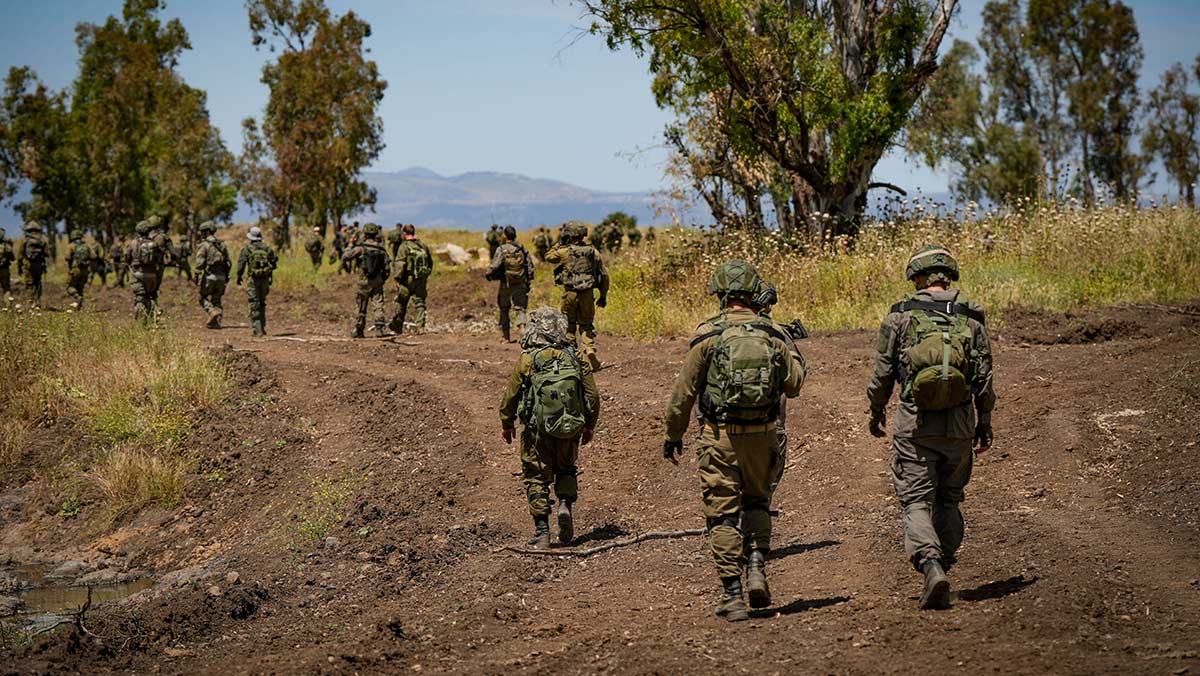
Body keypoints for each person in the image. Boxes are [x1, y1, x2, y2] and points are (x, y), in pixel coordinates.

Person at [662, 260, 805, 622]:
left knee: (723, 516)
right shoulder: (773, 332)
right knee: (758, 503)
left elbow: (683, 393)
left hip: (720, 438)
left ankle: (732, 596)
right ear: (754, 292)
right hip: (764, 435)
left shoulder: (707, 334)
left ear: (721, 294)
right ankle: (756, 566)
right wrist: (793, 349)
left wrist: (673, 435)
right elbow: (794, 385)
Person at [866, 245, 996, 610]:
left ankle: (932, 565)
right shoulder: (972, 316)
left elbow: (882, 373)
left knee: (915, 500)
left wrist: (875, 411)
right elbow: (984, 377)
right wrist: (985, 421)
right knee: (949, 498)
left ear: (918, 278)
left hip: (915, 424)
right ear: (949, 275)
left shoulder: (900, 315)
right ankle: (945, 563)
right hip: (959, 424)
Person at [498, 306, 600, 548]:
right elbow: (593, 396)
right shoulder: (575, 357)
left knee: (536, 477)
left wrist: (507, 423)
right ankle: (565, 504)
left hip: (537, 431)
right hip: (569, 427)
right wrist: (589, 425)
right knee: (566, 469)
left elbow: (510, 395)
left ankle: (542, 532)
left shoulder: (528, 359)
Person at [749, 281, 807, 501]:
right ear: (765, 304)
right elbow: (794, 385)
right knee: (761, 495)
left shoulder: (715, 331)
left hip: (723, 429)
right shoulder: (776, 333)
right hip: (769, 427)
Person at [543, 221, 608, 371]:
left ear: (569, 234)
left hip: (570, 294)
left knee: (569, 326)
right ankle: (589, 349)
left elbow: (548, 256)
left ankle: (573, 358)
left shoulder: (564, 252)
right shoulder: (593, 252)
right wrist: (603, 295)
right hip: (587, 294)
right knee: (586, 324)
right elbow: (604, 275)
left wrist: (560, 243)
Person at [342, 222, 391, 338]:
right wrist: (382, 279)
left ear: (365, 234)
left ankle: (359, 330)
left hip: (363, 281)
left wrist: (350, 244)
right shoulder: (381, 249)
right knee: (378, 305)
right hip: (377, 281)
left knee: (361, 306)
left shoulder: (360, 248)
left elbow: (345, 257)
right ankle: (379, 329)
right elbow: (387, 268)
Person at [487, 225, 535, 343]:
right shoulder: (522, 249)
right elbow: (530, 266)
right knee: (521, 309)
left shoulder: (502, 249)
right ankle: (522, 331)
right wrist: (528, 280)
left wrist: (488, 274)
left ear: (504, 235)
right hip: (521, 282)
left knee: (504, 309)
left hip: (506, 283)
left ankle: (506, 337)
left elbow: (495, 265)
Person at [389, 223, 434, 335]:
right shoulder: (422, 245)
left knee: (402, 302)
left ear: (404, 233)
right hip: (420, 278)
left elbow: (400, 264)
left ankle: (397, 326)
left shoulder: (403, 246)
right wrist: (425, 275)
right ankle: (420, 327)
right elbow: (430, 262)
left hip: (407, 279)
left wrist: (397, 279)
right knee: (420, 302)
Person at [236, 226, 278, 337]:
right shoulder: (267, 248)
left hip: (253, 279)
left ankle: (257, 329)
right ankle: (262, 328)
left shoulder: (247, 249)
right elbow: (274, 262)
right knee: (262, 302)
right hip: (265, 279)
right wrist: (266, 270)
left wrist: (239, 277)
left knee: (254, 302)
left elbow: (241, 264)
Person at [193, 221, 231, 329]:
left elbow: (200, 262)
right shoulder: (222, 245)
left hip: (209, 276)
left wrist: (196, 275)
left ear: (207, 232)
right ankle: (216, 322)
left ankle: (211, 311)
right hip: (222, 277)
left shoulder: (204, 245)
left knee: (202, 297)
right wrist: (226, 277)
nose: (201, 234)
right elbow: (228, 262)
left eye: (203, 232)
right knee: (217, 299)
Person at [128, 219, 166, 323]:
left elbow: (127, 258)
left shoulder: (134, 243)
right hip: (152, 276)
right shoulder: (154, 244)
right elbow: (160, 260)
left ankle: (142, 325)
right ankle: (153, 320)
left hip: (138, 275)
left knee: (140, 299)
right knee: (150, 297)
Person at [16, 221, 48, 308]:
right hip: (39, 265)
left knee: (29, 284)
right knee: (38, 283)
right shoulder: (42, 240)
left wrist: (19, 267)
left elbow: (20, 255)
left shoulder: (24, 240)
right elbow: (46, 254)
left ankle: (31, 303)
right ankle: (37, 301)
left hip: (28, 265)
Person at [64, 230, 92, 309]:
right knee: (80, 288)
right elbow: (93, 256)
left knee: (69, 287)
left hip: (75, 269)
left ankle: (78, 297)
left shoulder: (71, 246)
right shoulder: (86, 246)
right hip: (85, 270)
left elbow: (67, 257)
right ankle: (79, 307)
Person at [0, 227, 14, 298]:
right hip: (4, 269)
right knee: (6, 288)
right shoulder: (6, 245)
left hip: (4, 268)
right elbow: (12, 258)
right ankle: (8, 304)